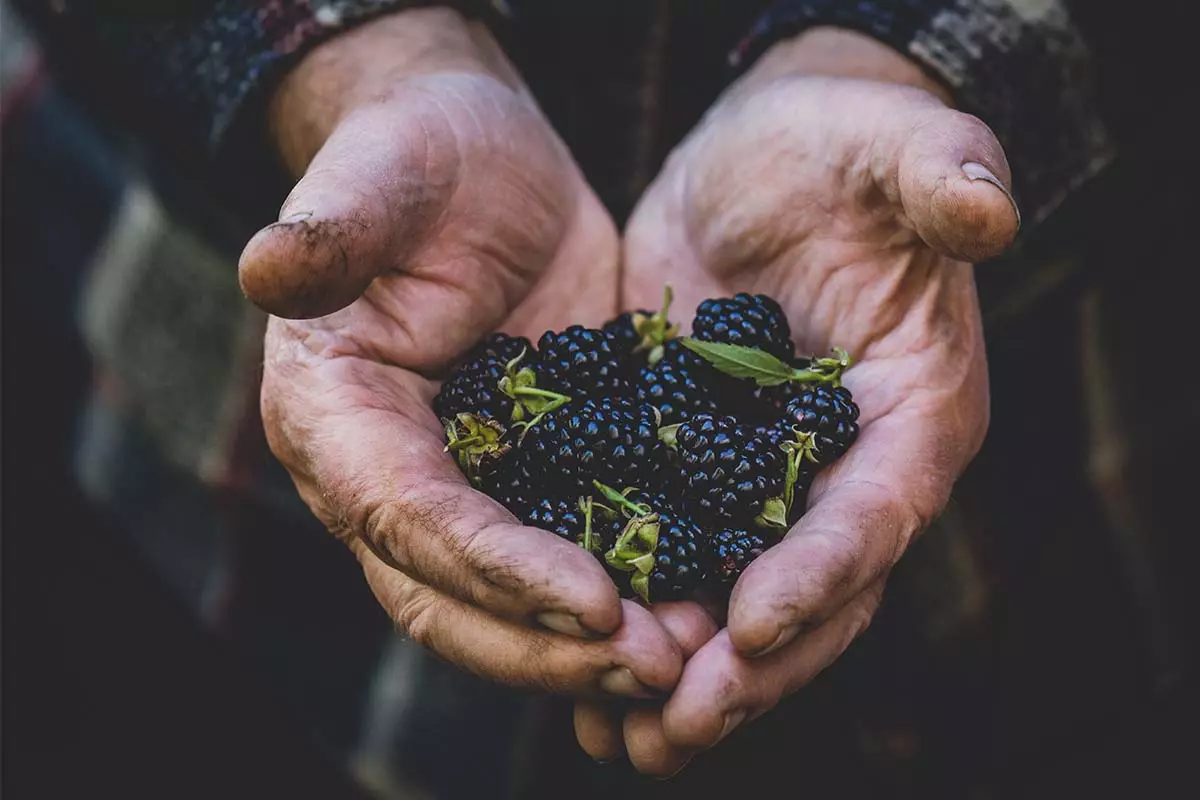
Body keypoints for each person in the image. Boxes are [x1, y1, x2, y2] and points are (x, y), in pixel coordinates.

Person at [12, 1, 1194, 796]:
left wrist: (937, 49)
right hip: (236, 455)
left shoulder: (721, 406)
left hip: (1051, 442)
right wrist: (352, 60)